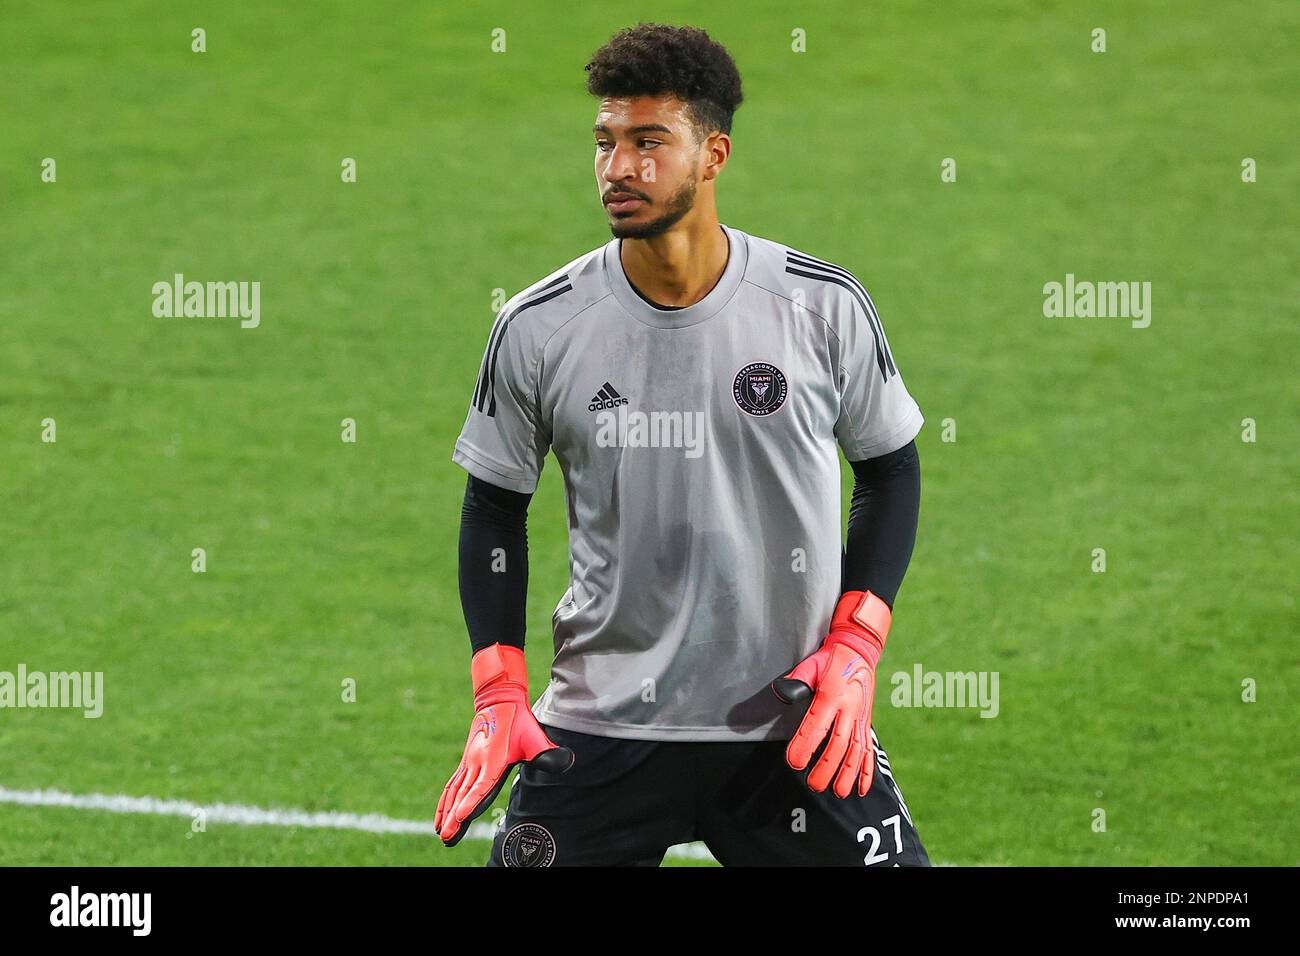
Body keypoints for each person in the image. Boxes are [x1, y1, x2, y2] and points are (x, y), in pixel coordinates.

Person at [435, 23, 930, 866]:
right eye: (605, 141)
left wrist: (856, 645)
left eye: (648, 141)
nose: (618, 167)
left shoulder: (821, 308)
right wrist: (498, 688)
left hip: (794, 719)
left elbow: (890, 470)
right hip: (601, 723)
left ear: (715, 155)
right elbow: (493, 509)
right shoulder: (540, 326)